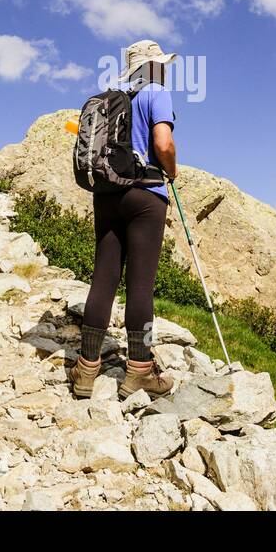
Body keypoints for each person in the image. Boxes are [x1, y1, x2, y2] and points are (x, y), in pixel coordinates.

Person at [69, 40, 178, 400]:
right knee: (141, 286)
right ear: (153, 66)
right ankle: (140, 372)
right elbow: (162, 144)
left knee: (104, 277)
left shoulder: (119, 98)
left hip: (108, 193)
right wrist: (172, 171)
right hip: (146, 195)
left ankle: (86, 371)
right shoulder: (156, 92)